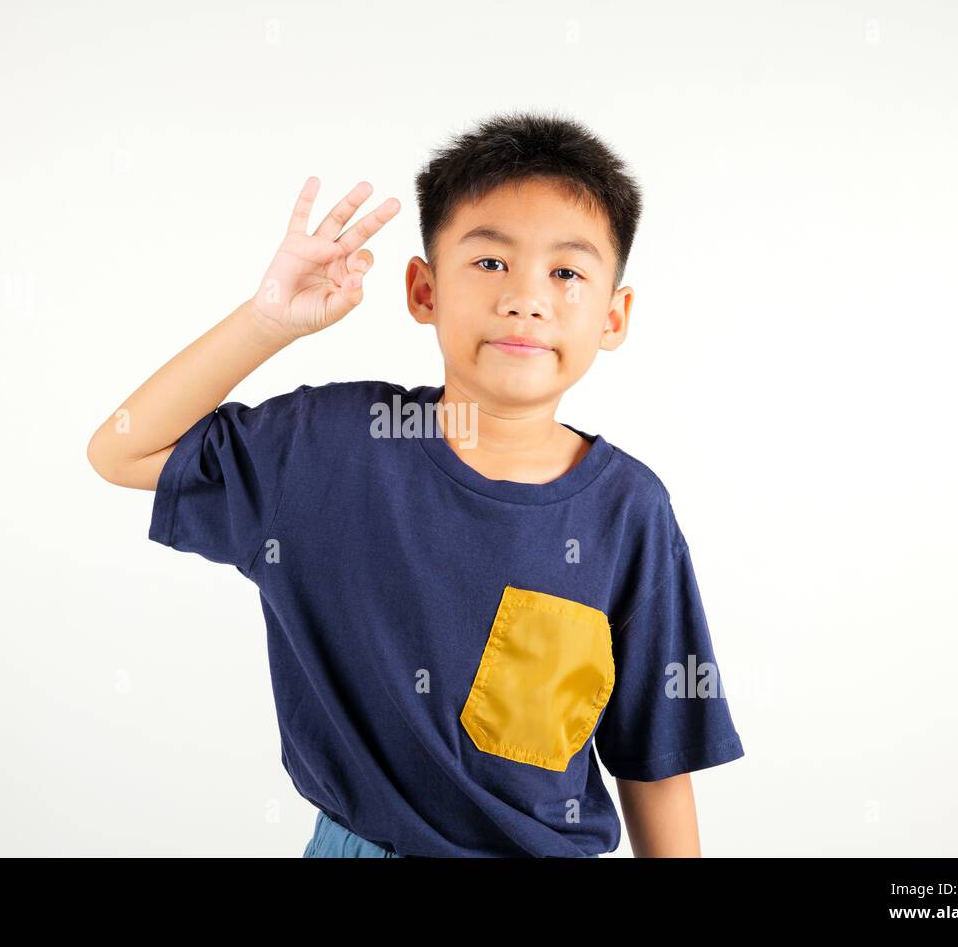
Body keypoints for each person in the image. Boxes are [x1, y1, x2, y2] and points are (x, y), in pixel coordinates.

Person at [87, 111, 745, 857]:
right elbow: (123, 452)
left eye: (566, 273)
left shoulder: (630, 511)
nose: (525, 299)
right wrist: (267, 321)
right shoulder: (330, 447)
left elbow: (653, 762)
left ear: (613, 316)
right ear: (423, 291)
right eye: (491, 263)